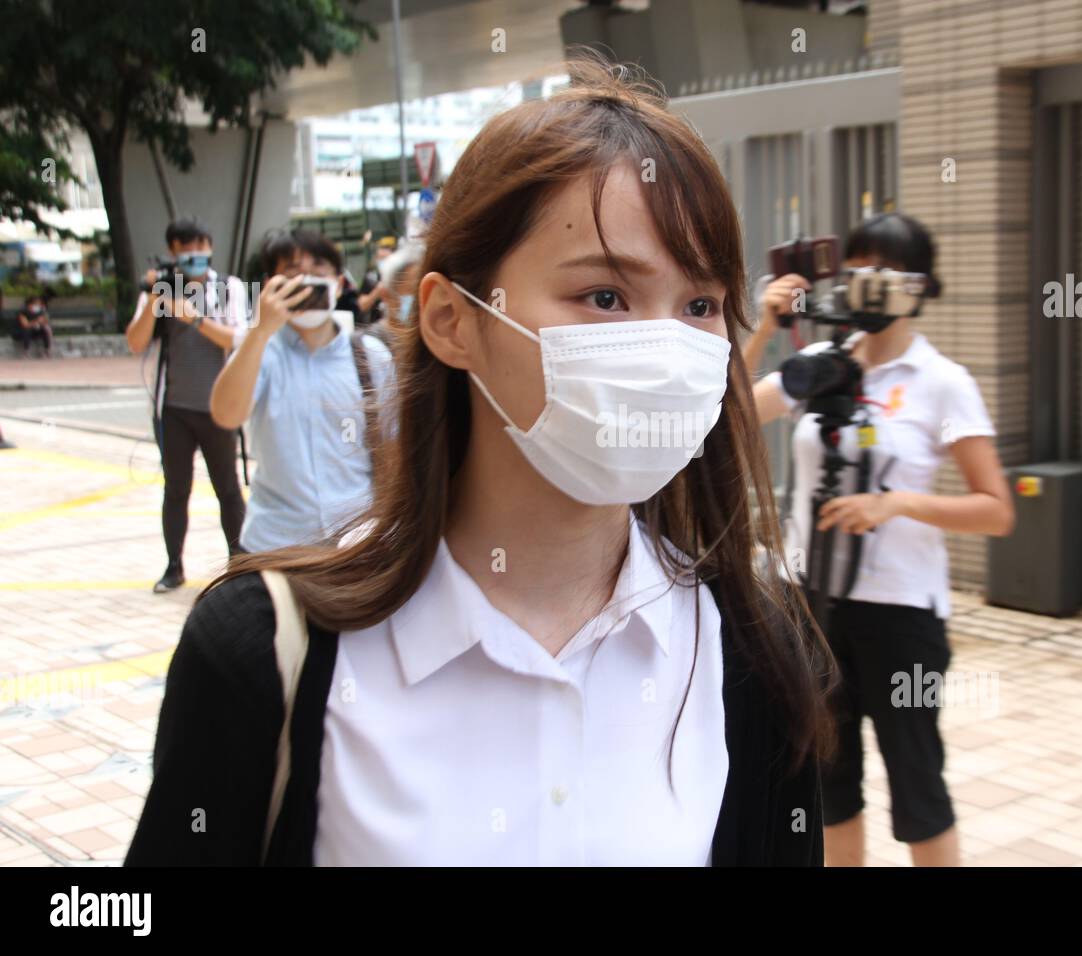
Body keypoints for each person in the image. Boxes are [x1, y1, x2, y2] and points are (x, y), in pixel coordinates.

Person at [125, 57, 834, 867]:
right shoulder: (267, 654)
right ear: (451, 320)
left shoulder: (754, 654)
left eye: (701, 306)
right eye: (604, 295)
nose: (668, 349)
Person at [746, 212, 1015, 868]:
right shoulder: (819, 366)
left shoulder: (940, 380)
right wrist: (763, 329)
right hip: (813, 605)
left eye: (884, 269)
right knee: (830, 784)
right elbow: (730, 416)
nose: (866, 280)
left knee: (916, 782)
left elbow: (996, 510)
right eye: (857, 266)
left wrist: (895, 503)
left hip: (901, 615)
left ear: (918, 286)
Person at [209, 229, 395, 553]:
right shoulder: (261, 351)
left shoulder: (371, 357)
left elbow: (396, 448)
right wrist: (260, 329)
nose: (307, 285)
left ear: (339, 284)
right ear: (271, 287)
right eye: (293, 276)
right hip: (275, 545)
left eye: (318, 274)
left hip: (357, 546)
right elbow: (226, 414)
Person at [125, 218, 249, 593]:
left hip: (219, 405)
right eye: (185, 250)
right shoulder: (163, 288)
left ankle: (239, 565)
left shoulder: (229, 288)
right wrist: (155, 300)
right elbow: (135, 342)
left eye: (199, 247)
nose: (193, 255)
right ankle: (174, 566)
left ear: (210, 246)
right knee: (175, 488)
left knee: (228, 487)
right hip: (175, 407)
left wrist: (193, 318)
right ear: (173, 253)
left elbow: (238, 337)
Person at [356, 235, 396, 325]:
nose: (383, 262)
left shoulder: (400, 279)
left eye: (386, 258)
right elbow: (362, 305)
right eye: (380, 258)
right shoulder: (370, 278)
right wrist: (376, 292)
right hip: (374, 325)